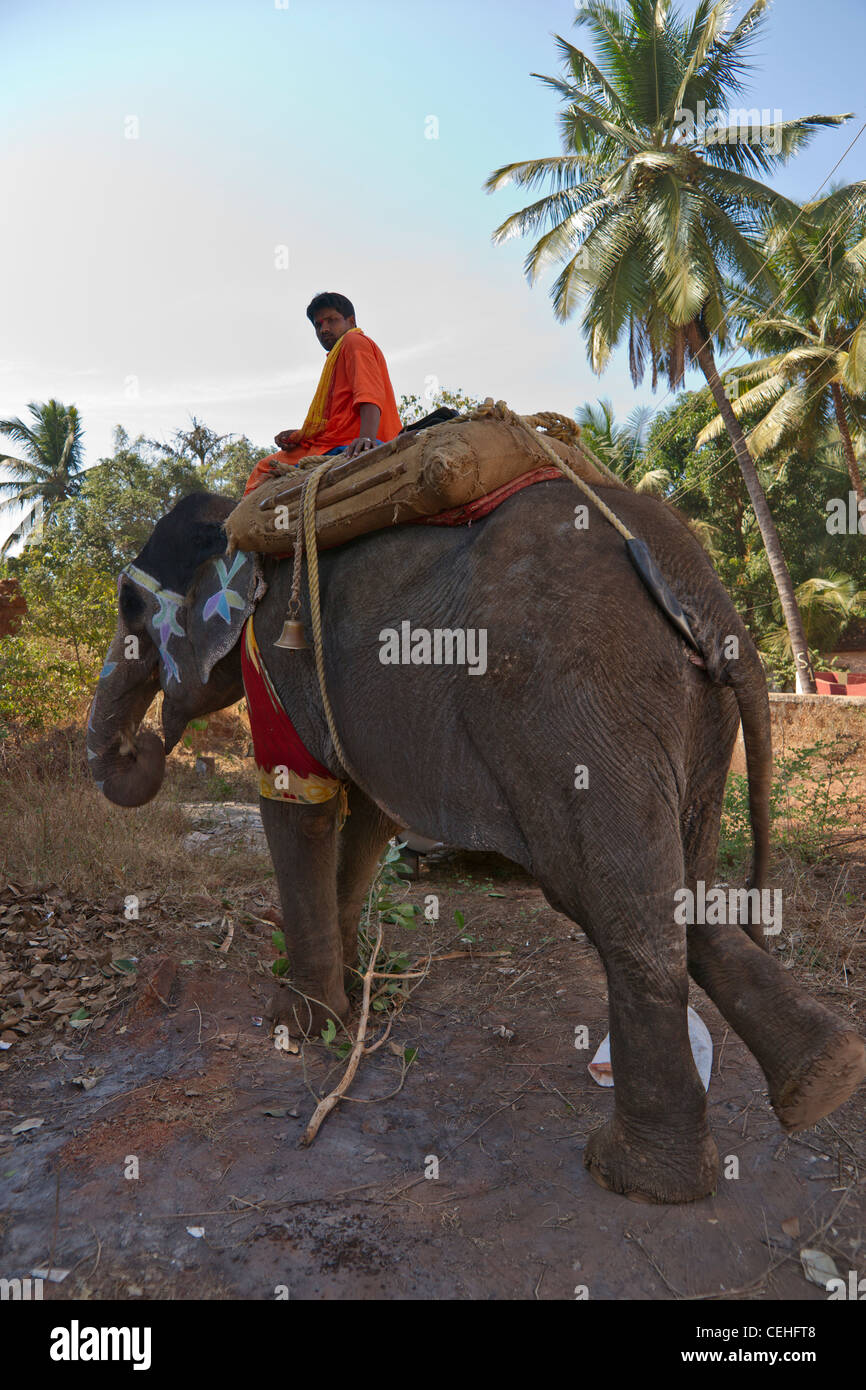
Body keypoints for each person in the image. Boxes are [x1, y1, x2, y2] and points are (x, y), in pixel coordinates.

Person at [243, 291, 403, 495]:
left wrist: (367, 440)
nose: (324, 329)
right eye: (318, 325)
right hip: (337, 438)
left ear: (351, 321)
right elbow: (336, 419)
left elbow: (369, 394)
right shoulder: (337, 356)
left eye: (332, 320)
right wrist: (299, 436)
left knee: (265, 468)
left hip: (349, 441)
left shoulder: (353, 342)